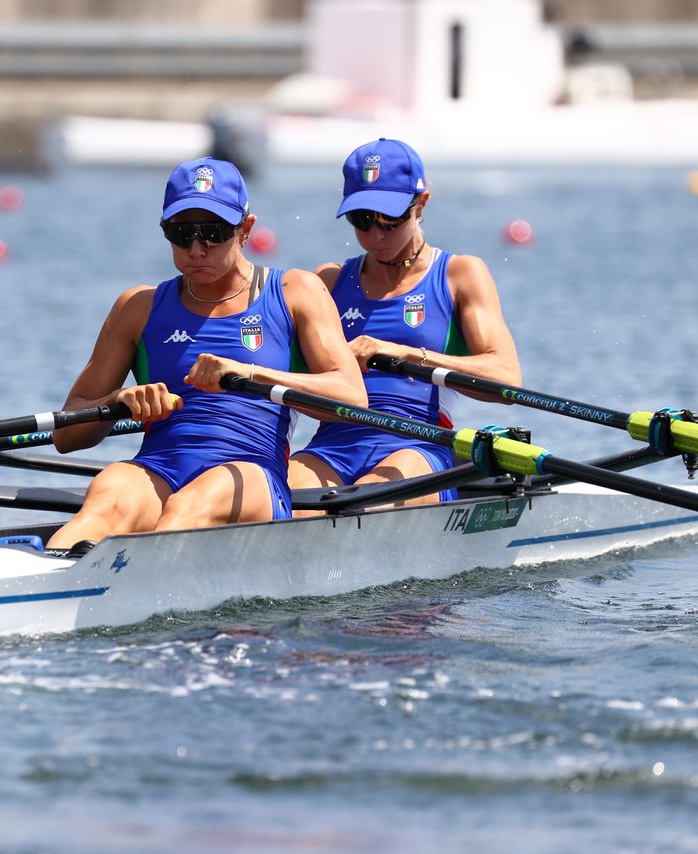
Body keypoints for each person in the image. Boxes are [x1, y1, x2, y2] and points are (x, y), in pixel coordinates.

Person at [45, 156, 367, 554]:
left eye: (213, 232)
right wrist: (116, 403)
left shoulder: (295, 291)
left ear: (246, 229)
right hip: (159, 467)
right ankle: (35, 591)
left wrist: (248, 373)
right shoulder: (138, 307)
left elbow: (351, 397)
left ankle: (130, 584)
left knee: (190, 505)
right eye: (180, 234)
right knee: (108, 493)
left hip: (250, 473)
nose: (196, 249)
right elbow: (65, 436)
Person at [288, 138, 521, 508]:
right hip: (332, 445)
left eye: (392, 220)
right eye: (362, 221)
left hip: (418, 443)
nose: (377, 236)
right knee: (280, 502)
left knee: (369, 503)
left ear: (422, 203)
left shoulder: (459, 275)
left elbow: (506, 378)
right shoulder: (329, 282)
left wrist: (404, 354)